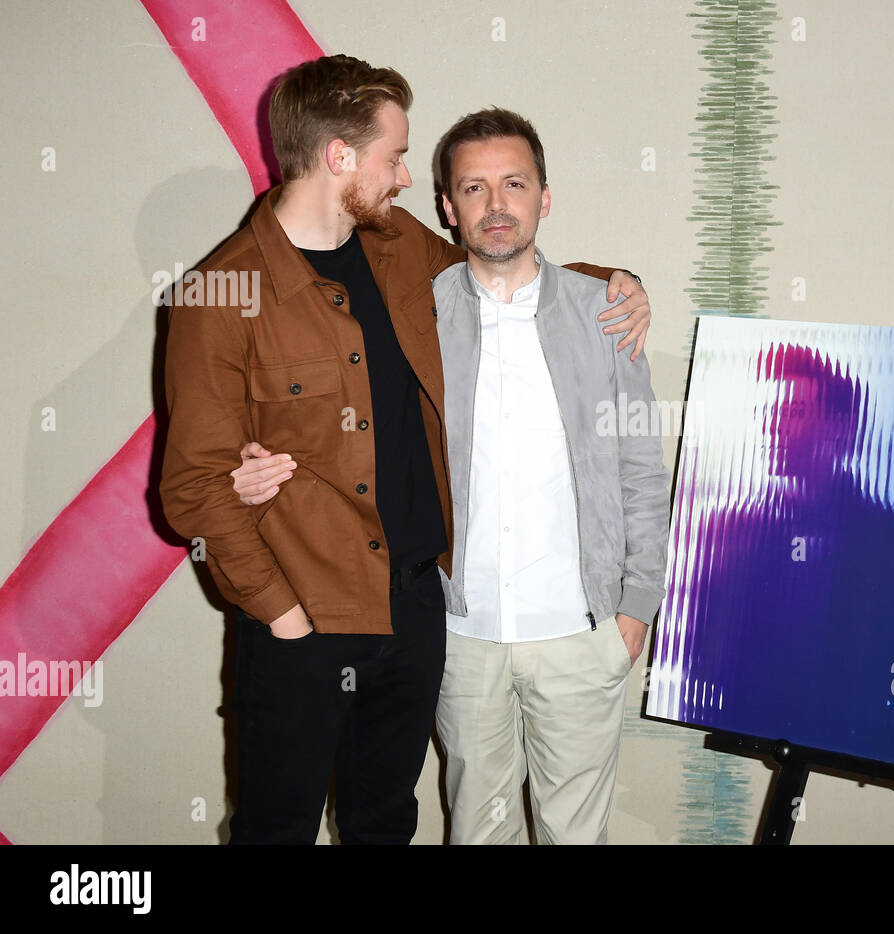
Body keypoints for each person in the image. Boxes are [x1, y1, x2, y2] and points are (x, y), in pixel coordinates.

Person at [159, 55, 650, 845]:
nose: (400, 178)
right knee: (275, 830)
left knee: (385, 824)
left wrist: (609, 281)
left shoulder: (394, 246)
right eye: (393, 156)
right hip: (304, 617)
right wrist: (284, 619)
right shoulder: (220, 293)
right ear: (339, 157)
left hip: (419, 610)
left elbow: (497, 263)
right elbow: (191, 490)